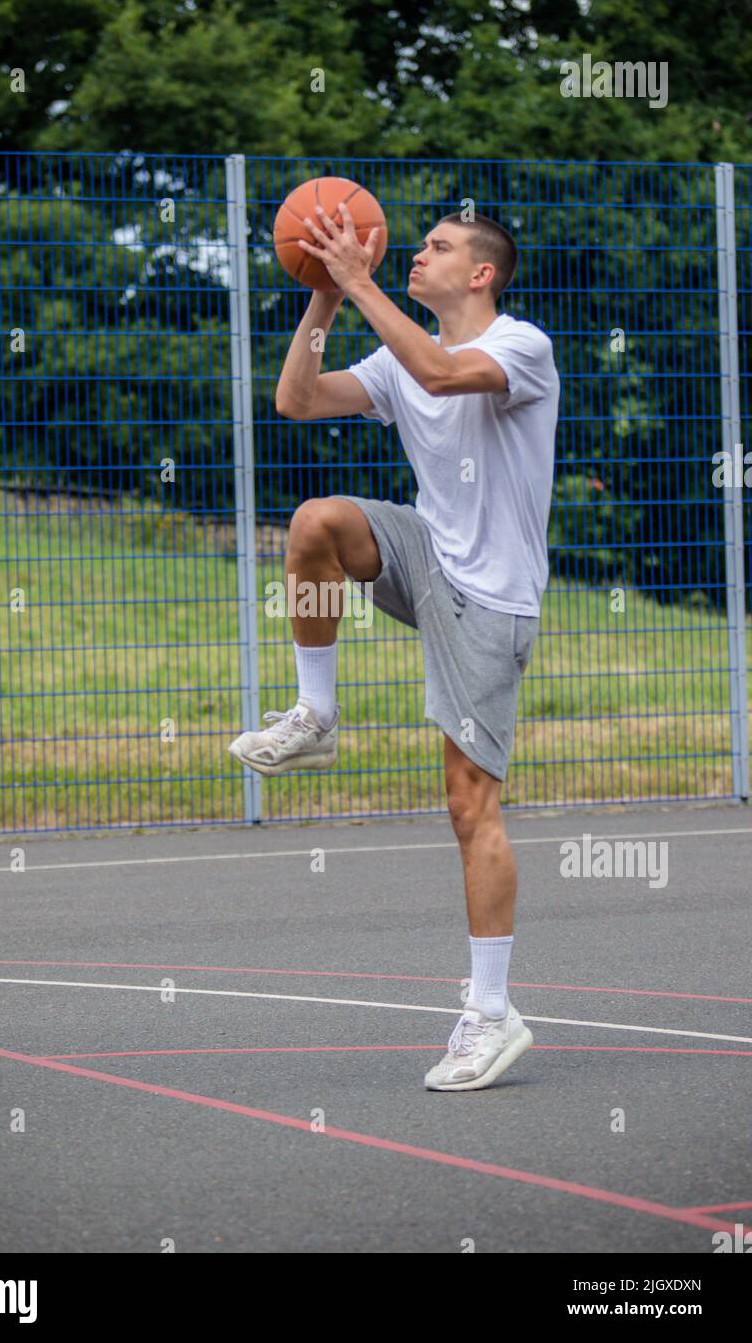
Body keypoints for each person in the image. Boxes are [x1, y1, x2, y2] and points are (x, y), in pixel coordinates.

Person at [230, 203, 560, 1090]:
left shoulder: (520, 345)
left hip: (491, 599)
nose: (420, 254)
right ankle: (317, 714)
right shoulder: (396, 349)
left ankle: (493, 1016)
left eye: (440, 248)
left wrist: (361, 282)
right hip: (428, 555)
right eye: (420, 246)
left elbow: (445, 374)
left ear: (482, 273)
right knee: (316, 524)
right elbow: (296, 400)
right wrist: (324, 298)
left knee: (468, 807)